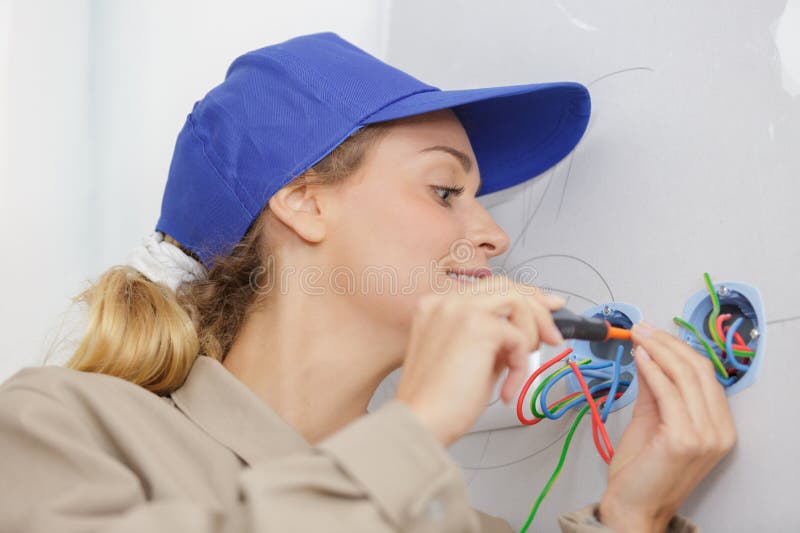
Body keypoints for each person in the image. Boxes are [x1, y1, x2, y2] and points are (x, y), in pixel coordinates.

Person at [0, 32, 735, 533]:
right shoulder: (61, 426)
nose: (495, 236)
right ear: (304, 199)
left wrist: (629, 517)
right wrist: (414, 430)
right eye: (446, 190)